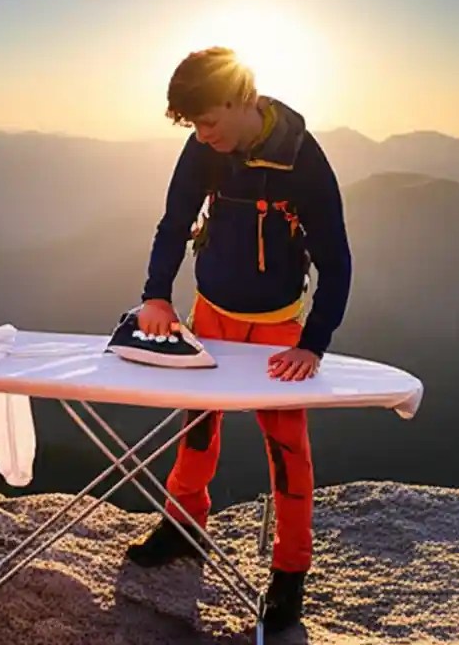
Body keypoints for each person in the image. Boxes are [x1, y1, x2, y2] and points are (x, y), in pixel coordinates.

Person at [125, 46, 352, 632]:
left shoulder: (302, 158)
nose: (201, 137)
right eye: (194, 126)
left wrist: (314, 344)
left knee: (286, 448)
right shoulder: (205, 149)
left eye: (208, 122)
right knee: (197, 426)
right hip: (213, 314)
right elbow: (175, 222)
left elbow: (337, 260)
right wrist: (155, 294)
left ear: (241, 100)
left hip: (278, 328)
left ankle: (290, 574)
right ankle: (183, 526)